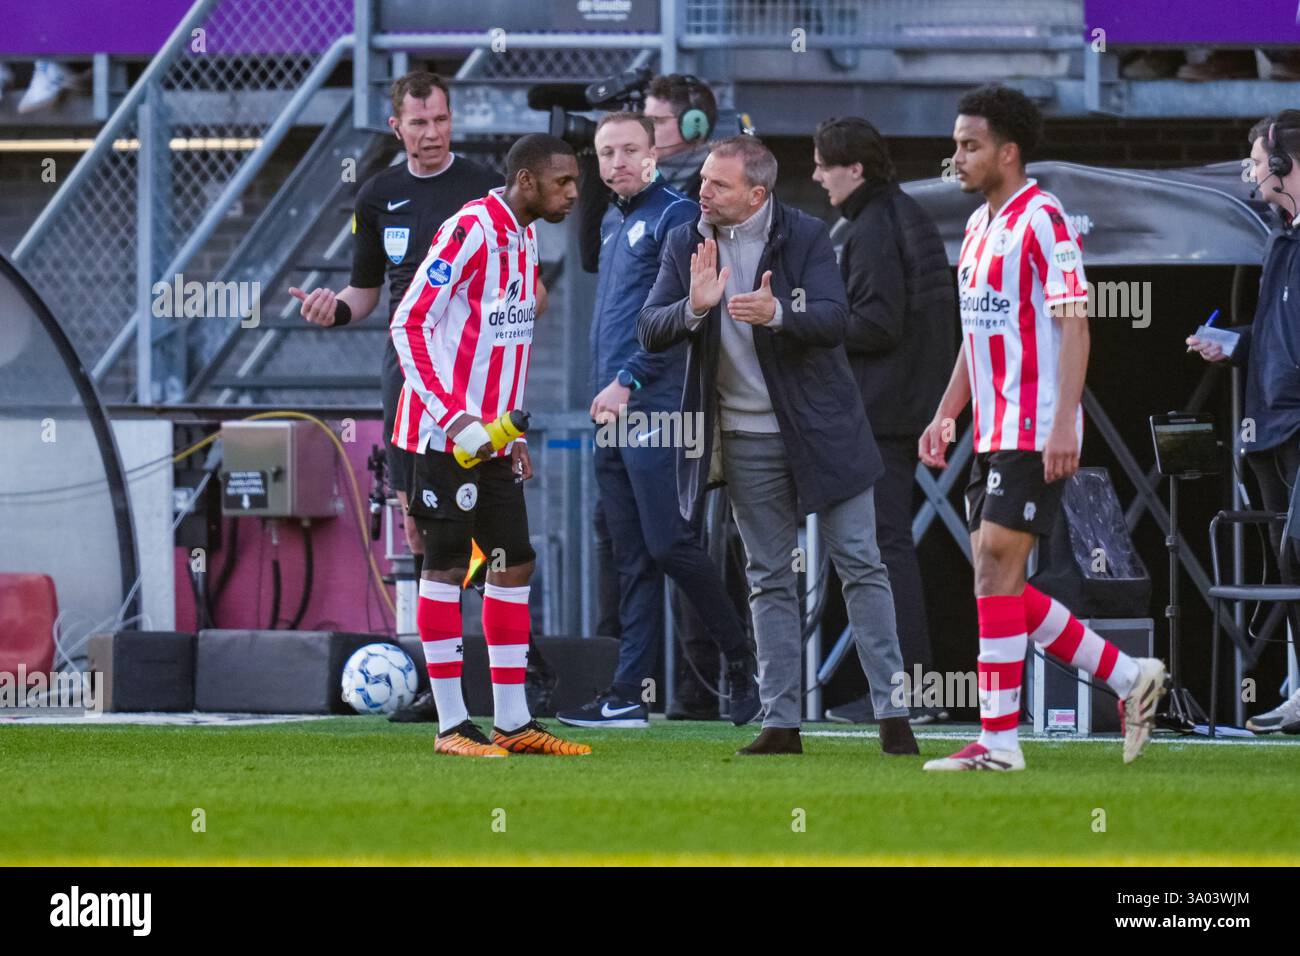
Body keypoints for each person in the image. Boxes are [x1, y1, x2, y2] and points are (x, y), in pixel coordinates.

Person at [638, 135, 919, 757]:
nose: (701, 191)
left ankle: (893, 716)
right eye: (704, 180)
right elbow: (649, 327)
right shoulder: (686, 238)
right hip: (742, 437)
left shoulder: (807, 234)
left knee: (861, 565)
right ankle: (781, 724)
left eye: (718, 184)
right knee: (768, 578)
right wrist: (694, 306)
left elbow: (835, 318)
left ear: (757, 194)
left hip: (823, 430)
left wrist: (779, 313)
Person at [918, 85, 1167, 771]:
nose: (958, 157)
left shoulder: (1046, 217)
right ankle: (1128, 676)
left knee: (997, 559)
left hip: (1035, 425)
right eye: (956, 144)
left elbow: (1074, 321)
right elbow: (978, 335)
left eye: (970, 145)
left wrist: (1065, 422)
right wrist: (947, 412)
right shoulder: (974, 229)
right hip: (993, 427)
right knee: (994, 576)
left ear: (1008, 151)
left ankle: (999, 741)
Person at [290, 72, 500, 722]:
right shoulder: (379, 193)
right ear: (396, 128)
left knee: (491, 517)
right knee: (418, 520)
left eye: (440, 120)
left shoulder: (486, 185)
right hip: (408, 368)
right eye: (419, 124)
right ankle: (434, 685)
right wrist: (332, 311)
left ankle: (511, 673)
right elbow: (365, 294)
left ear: (451, 119)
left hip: (474, 368)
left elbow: (523, 276)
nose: (432, 134)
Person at [555, 112, 759, 729]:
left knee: (671, 545)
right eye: (605, 152)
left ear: (654, 154)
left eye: (629, 150)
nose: (616, 162)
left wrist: (629, 379)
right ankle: (628, 694)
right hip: (614, 410)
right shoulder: (618, 223)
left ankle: (744, 665)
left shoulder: (676, 215)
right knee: (632, 556)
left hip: (658, 408)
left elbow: (685, 314)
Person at [389, 133, 589, 757]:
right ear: (527, 180)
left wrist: (509, 431)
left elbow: (504, 344)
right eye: (564, 183)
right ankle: (451, 726)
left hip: (495, 440)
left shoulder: (527, 236)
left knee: (512, 562)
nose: (575, 194)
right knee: (446, 565)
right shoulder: (470, 228)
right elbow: (409, 321)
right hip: (444, 436)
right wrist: (454, 419)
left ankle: (512, 721)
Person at [811, 116, 957, 725]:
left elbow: (877, 323)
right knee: (887, 549)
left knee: (880, 551)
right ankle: (910, 691)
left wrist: (808, 327)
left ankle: (907, 695)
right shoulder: (898, 215)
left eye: (823, 164)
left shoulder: (872, 226)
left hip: (884, 412)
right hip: (907, 407)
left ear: (856, 169)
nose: (817, 176)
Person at [1187, 110, 1300, 735]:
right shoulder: (1282, 239)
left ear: (1285, 164)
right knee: (1288, 557)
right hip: (1277, 426)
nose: (1253, 172)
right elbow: (1282, 339)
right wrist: (1233, 344)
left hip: (1295, 420)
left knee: (1298, 547)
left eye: (1259, 160)